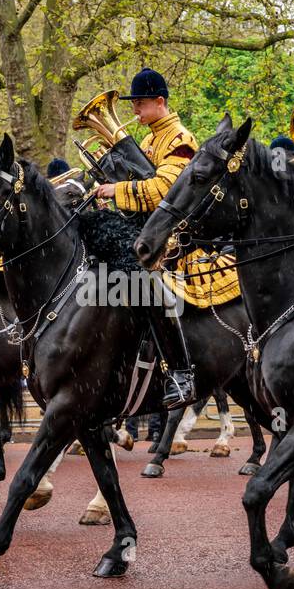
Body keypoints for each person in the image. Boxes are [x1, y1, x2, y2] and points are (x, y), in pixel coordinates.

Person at [92, 67, 200, 408]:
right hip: (148, 232)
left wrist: (117, 189)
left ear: (160, 101)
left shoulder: (180, 139)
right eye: (134, 104)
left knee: (148, 287)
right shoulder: (151, 138)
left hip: (177, 237)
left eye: (139, 104)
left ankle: (181, 373)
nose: (134, 110)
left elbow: (166, 190)